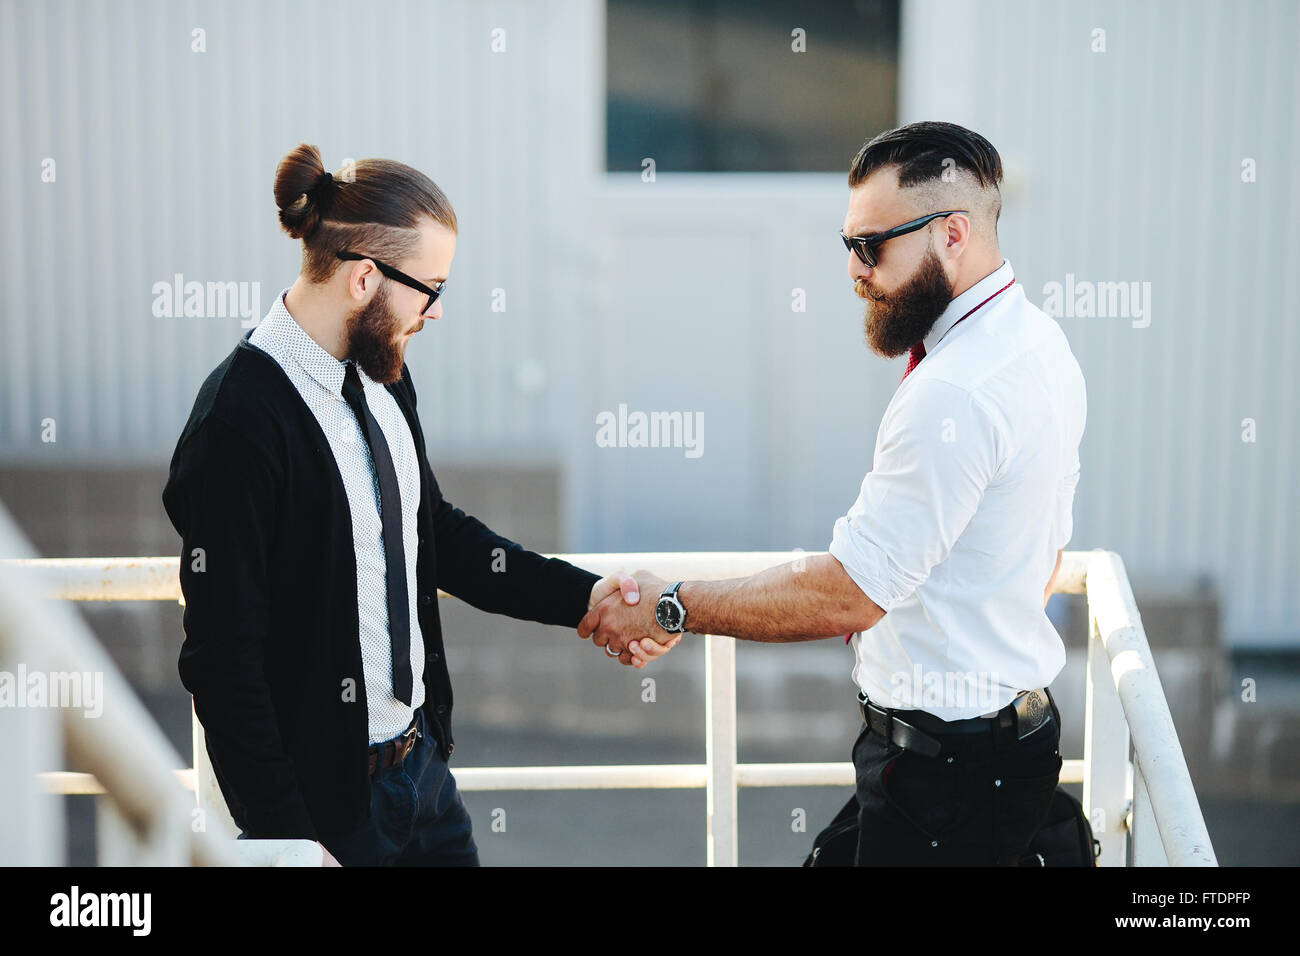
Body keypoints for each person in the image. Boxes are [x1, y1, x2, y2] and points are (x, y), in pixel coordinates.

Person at [583, 121, 1087, 866]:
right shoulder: (1038, 342)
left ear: (953, 233)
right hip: (989, 747)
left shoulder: (953, 391)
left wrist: (672, 604)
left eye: (871, 246)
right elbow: (1044, 549)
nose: (853, 270)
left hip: (948, 773)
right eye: (847, 243)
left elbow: (849, 595)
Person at [162, 143, 672, 867]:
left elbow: (436, 536)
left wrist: (586, 596)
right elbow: (222, 661)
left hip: (422, 779)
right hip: (325, 818)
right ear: (365, 278)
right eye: (429, 288)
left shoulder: (383, 373)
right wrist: (286, 842)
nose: (434, 311)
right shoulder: (237, 424)